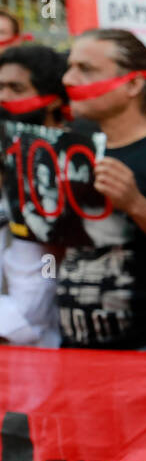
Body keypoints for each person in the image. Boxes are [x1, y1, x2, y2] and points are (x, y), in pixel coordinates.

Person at [59, 29, 146, 350]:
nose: (68, 79)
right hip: (72, 348)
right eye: (70, 66)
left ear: (133, 84)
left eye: (86, 69)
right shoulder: (68, 147)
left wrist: (135, 203)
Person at [0, 43, 67, 347]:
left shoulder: (70, 165)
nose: (3, 98)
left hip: (41, 350)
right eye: (0, 87)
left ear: (52, 100)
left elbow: (31, 308)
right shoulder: (9, 158)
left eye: (16, 88)